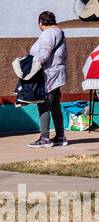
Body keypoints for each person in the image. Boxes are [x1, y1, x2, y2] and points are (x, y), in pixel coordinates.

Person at [22, 11, 68, 148]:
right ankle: (60, 137)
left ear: (41, 23)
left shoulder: (48, 33)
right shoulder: (60, 32)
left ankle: (45, 138)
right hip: (57, 73)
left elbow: (44, 53)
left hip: (48, 74)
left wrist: (32, 64)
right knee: (55, 106)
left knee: (43, 104)